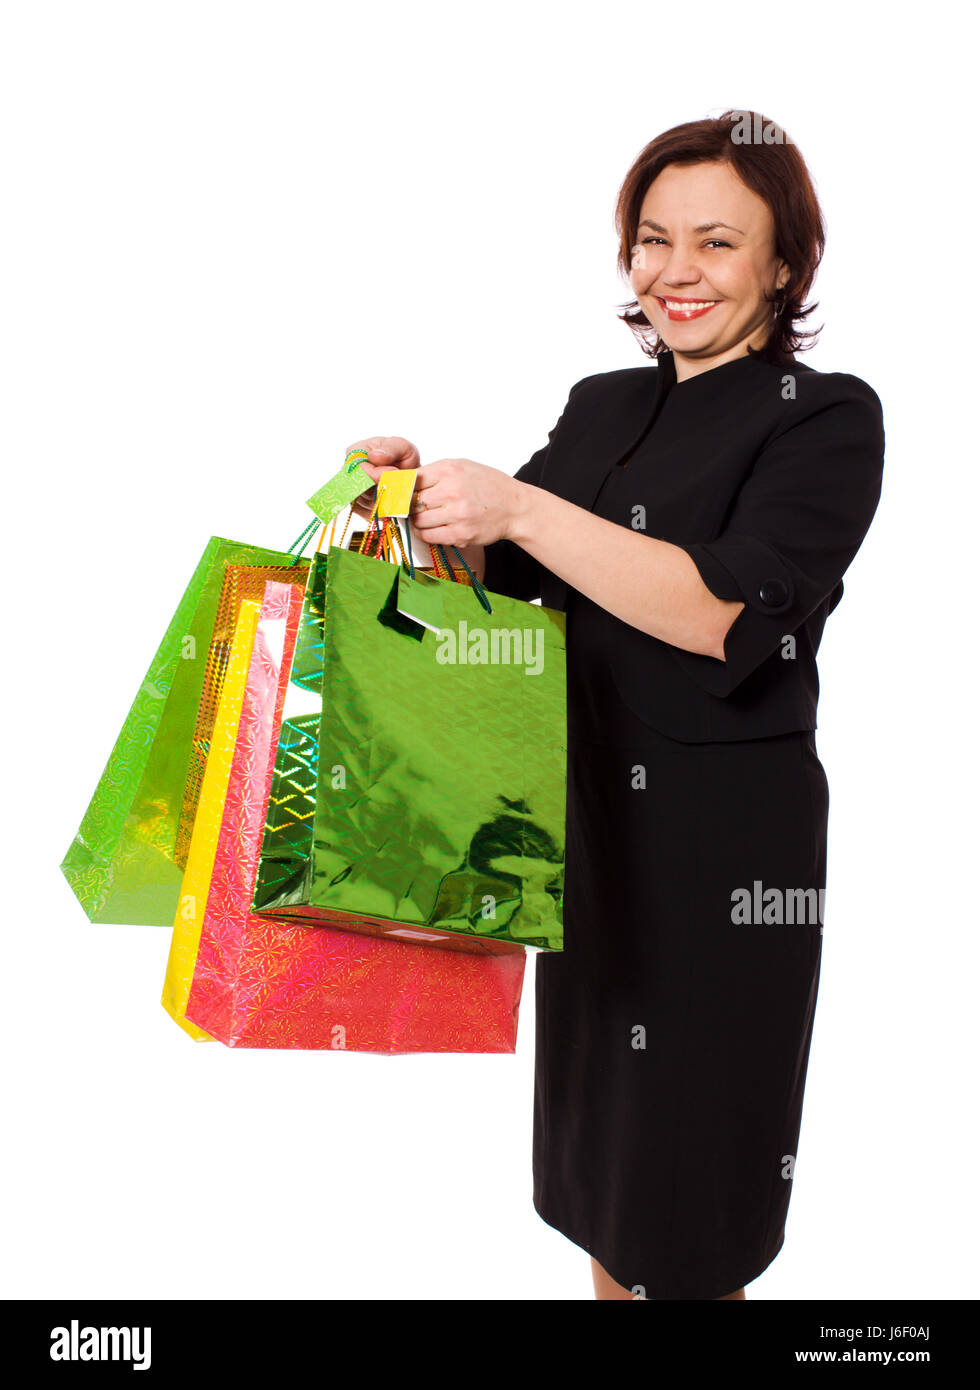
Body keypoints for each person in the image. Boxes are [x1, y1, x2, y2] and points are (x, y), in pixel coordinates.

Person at [346, 109, 885, 1301]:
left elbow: (725, 612)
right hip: (585, 833)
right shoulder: (601, 403)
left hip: (720, 862)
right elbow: (506, 587)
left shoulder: (825, 414)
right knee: (607, 1179)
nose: (674, 273)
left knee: (694, 1199)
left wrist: (520, 510)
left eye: (715, 244)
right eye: (652, 240)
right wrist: (404, 512)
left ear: (782, 263)